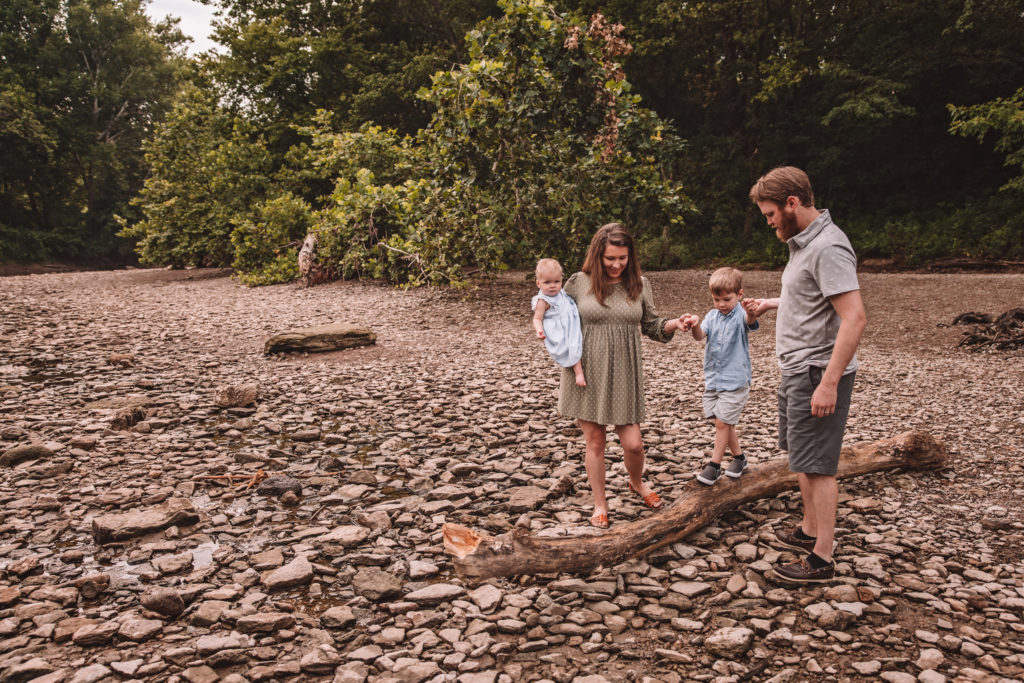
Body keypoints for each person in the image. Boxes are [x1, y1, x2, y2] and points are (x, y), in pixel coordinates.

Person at [744, 166, 867, 583]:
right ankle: (808, 530)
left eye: (771, 214)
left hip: (817, 371)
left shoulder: (829, 247)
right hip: (799, 368)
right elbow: (810, 295)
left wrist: (829, 382)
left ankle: (821, 560)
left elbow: (854, 319)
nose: (770, 222)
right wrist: (773, 303)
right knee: (801, 457)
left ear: (792, 203)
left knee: (818, 465)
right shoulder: (804, 244)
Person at [557, 223, 688, 528]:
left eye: (623, 258)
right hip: (585, 372)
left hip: (625, 375)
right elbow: (555, 315)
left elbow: (653, 325)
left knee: (634, 445)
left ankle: (636, 483)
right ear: (597, 255)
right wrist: (548, 333)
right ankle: (600, 504)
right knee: (596, 441)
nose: (617, 265)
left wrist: (676, 324)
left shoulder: (639, 284)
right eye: (610, 258)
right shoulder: (578, 283)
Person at [678, 267, 761, 485]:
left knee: (722, 424)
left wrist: (752, 311)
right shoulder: (712, 316)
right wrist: (694, 325)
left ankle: (714, 466)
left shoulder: (741, 315)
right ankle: (740, 458)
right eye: (716, 299)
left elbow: (750, 321)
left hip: (735, 381)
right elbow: (700, 336)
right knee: (724, 422)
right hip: (714, 380)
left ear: (739, 295)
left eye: (726, 299)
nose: (721, 304)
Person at [532, 258, 586, 387]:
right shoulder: (542, 301)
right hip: (560, 329)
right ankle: (578, 373)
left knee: (577, 342)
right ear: (538, 284)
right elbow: (537, 318)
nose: (553, 285)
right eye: (547, 282)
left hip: (569, 320)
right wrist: (539, 330)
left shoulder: (560, 292)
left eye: (557, 281)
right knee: (571, 346)